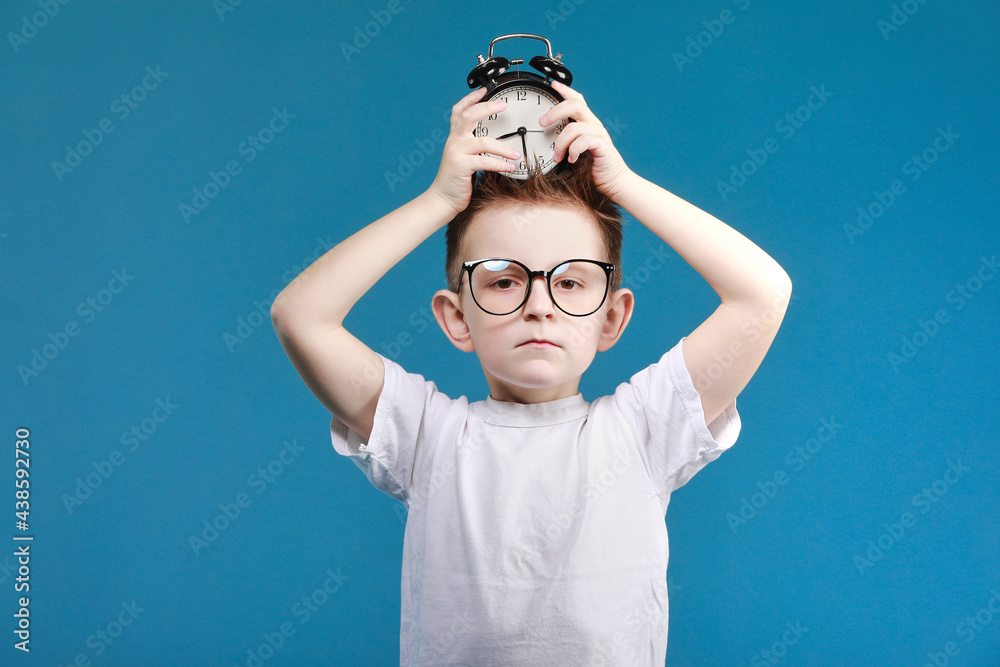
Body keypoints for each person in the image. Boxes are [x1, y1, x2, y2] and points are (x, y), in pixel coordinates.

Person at [270, 80, 792, 665]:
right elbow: (301, 316)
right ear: (456, 317)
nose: (539, 303)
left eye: (570, 280)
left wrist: (623, 185)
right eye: (502, 279)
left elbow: (762, 293)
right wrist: (438, 201)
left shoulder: (645, 428)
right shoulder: (428, 436)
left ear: (611, 318)